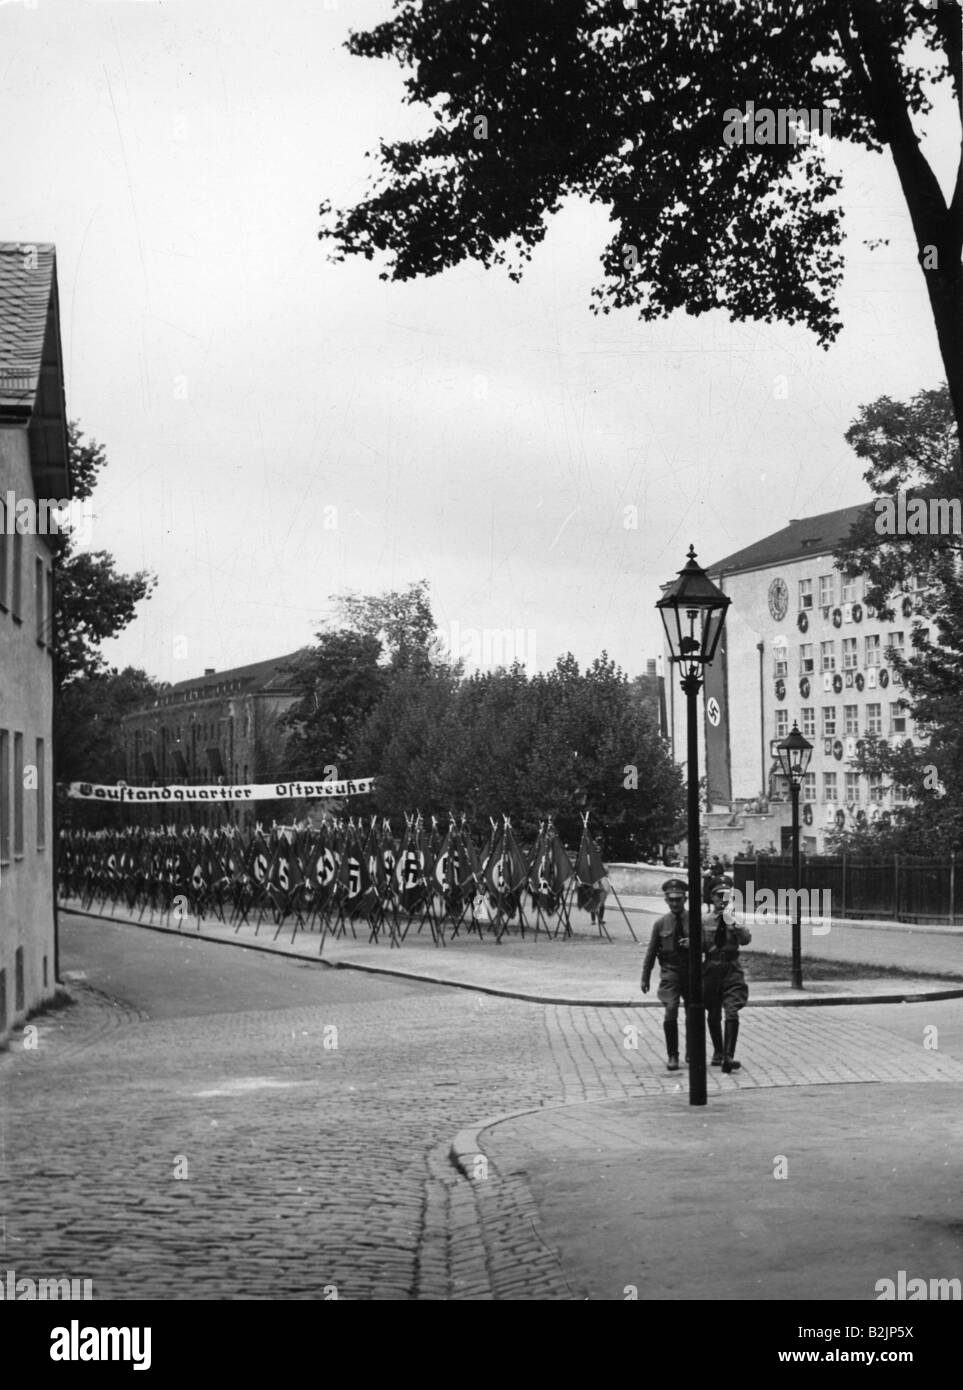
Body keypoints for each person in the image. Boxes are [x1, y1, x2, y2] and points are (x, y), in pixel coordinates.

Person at [641, 878, 691, 1071]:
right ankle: (673, 1055)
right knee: (671, 1010)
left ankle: (691, 1051)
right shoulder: (661, 923)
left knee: (692, 1013)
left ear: (685, 899)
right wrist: (645, 976)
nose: (675, 903)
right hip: (670, 972)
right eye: (671, 900)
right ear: (666, 901)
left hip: (690, 971)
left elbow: (707, 945)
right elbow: (651, 951)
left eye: (678, 899)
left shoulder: (695, 921)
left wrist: (693, 944)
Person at [703, 878, 752, 1072]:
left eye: (727, 897)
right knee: (713, 1011)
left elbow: (746, 940)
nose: (723, 900)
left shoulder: (735, 919)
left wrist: (737, 929)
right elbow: (698, 945)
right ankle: (718, 1050)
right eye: (719, 896)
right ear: (712, 898)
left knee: (731, 1010)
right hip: (712, 968)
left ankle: (728, 1056)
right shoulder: (704, 920)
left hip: (731, 968)